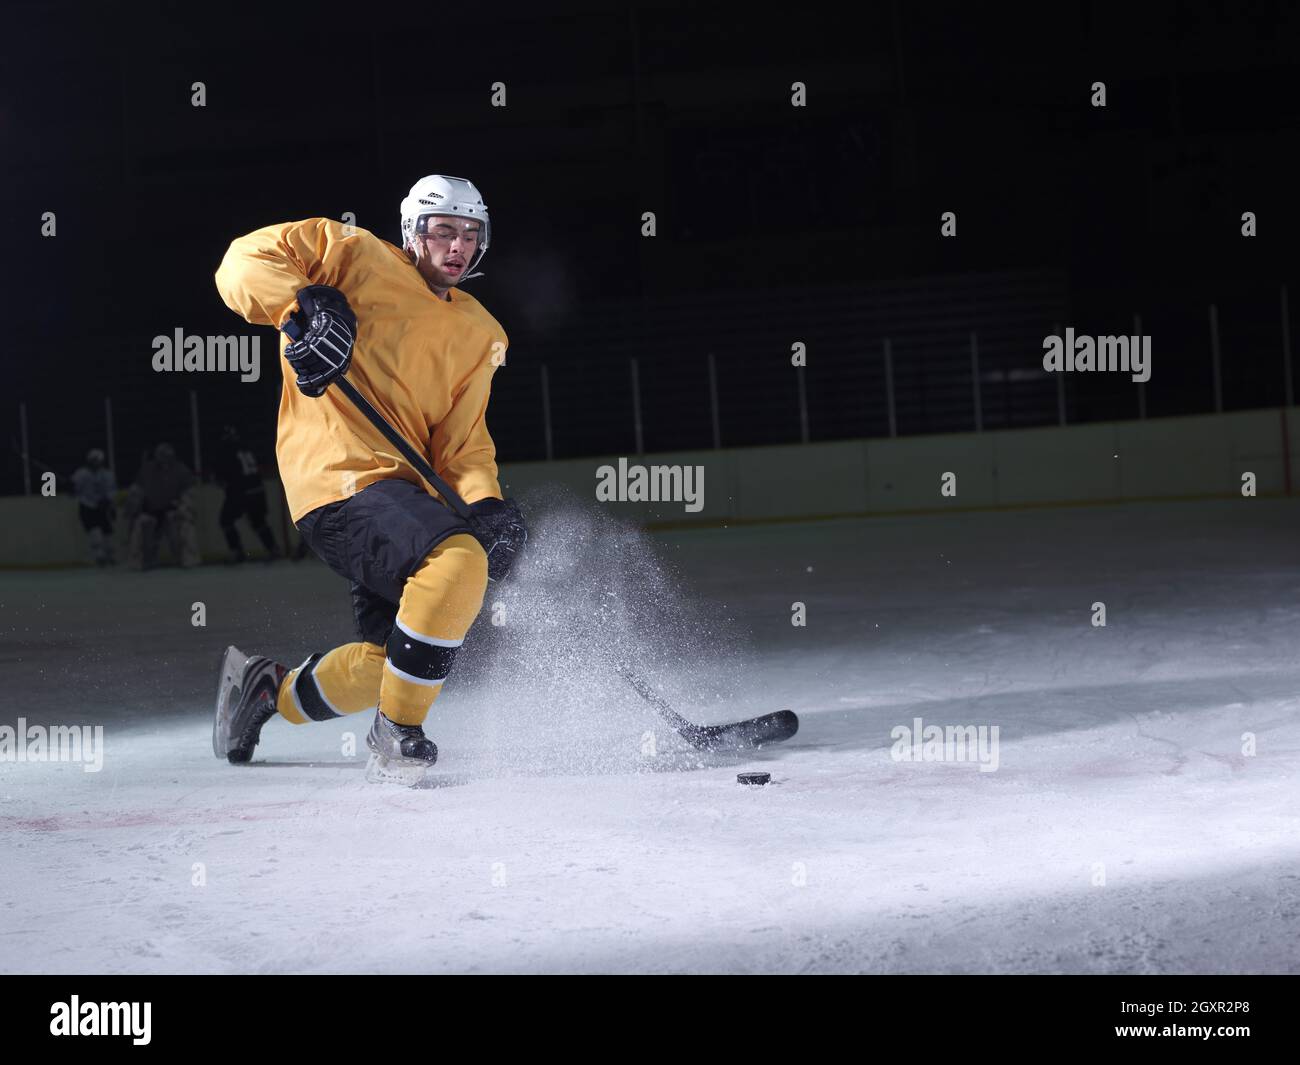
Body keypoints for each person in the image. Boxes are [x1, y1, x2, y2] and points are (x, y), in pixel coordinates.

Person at [211, 175, 527, 781]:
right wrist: (301, 301)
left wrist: (486, 504)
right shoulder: (349, 253)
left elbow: (460, 444)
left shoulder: (483, 333)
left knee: (398, 658)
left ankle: (262, 691)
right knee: (456, 565)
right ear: (412, 231)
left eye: (470, 234)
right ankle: (397, 733)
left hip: (401, 497)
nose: (456, 246)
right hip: (335, 477)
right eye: (443, 231)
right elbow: (240, 262)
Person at [126, 443, 200, 570]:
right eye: (161, 456)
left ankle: (190, 559)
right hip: (151, 510)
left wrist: (184, 508)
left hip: (173, 509)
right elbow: (136, 491)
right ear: (156, 456)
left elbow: (189, 493)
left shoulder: (181, 470)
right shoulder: (147, 469)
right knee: (138, 526)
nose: (164, 459)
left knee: (186, 523)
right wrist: (133, 509)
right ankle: (137, 562)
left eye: (167, 456)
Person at [213, 424, 279, 563]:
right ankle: (273, 548)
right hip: (257, 490)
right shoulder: (246, 447)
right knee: (258, 521)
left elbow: (222, 478)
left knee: (225, 521)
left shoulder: (226, 450)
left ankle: (236, 552)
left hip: (241, 492)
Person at [71, 448, 117, 566]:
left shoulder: (107, 475)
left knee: (108, 534)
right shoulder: (81, 474)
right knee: (94, 533)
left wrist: (108, 502)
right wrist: (70, 487)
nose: (95, 463)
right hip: (87, 507)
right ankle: (99, 556)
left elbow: (111, 490)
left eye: (98, 460)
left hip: (102, 507)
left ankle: (110, 555)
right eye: (93, 460)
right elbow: (75, 490)